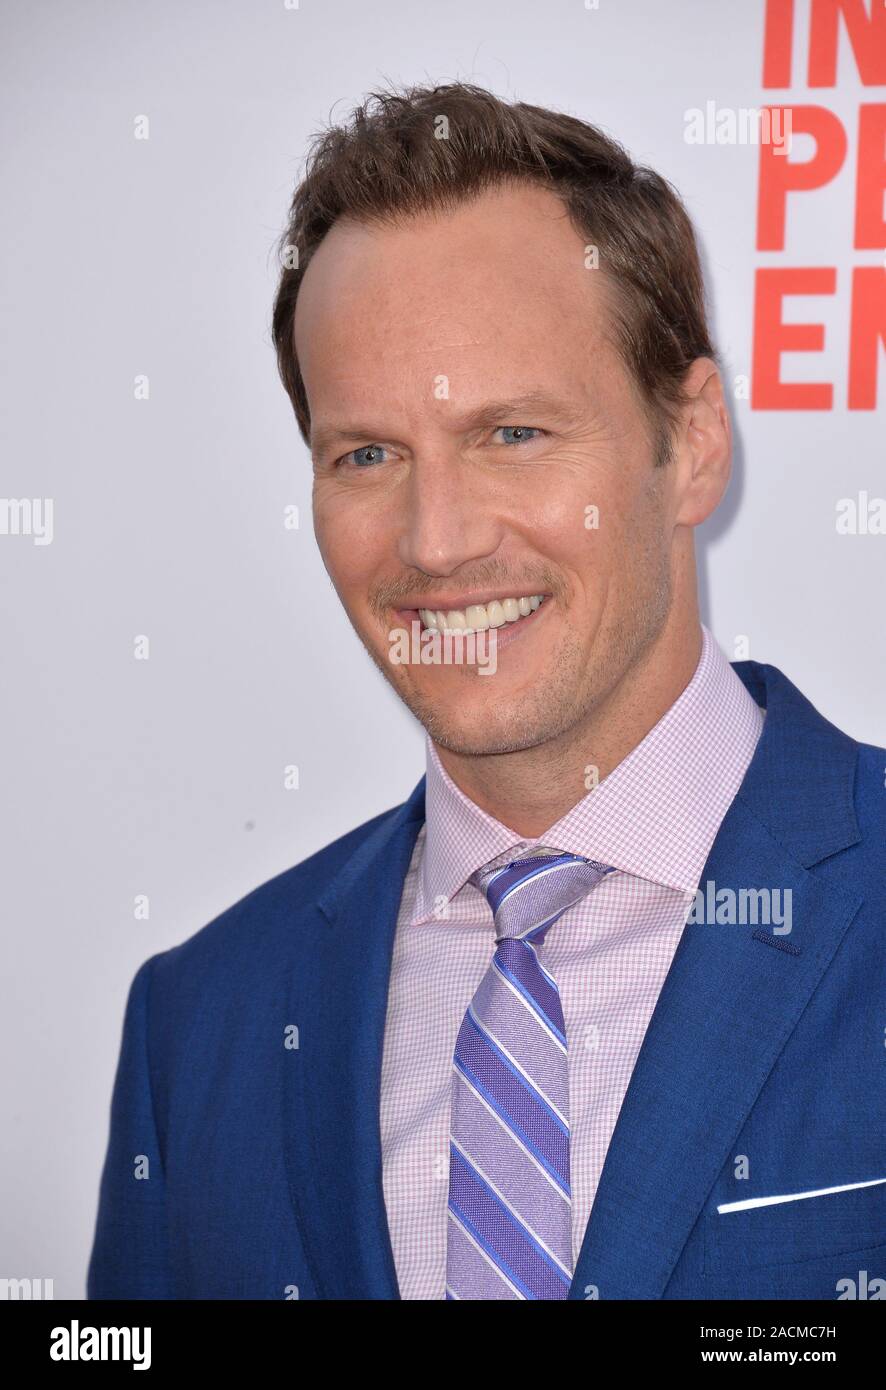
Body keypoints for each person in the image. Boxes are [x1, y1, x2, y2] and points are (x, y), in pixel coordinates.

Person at [87, 83, 886, 1301]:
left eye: (512, 434)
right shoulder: (202, 1027)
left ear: (694, 444)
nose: (438, 540)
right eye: (367, 454)